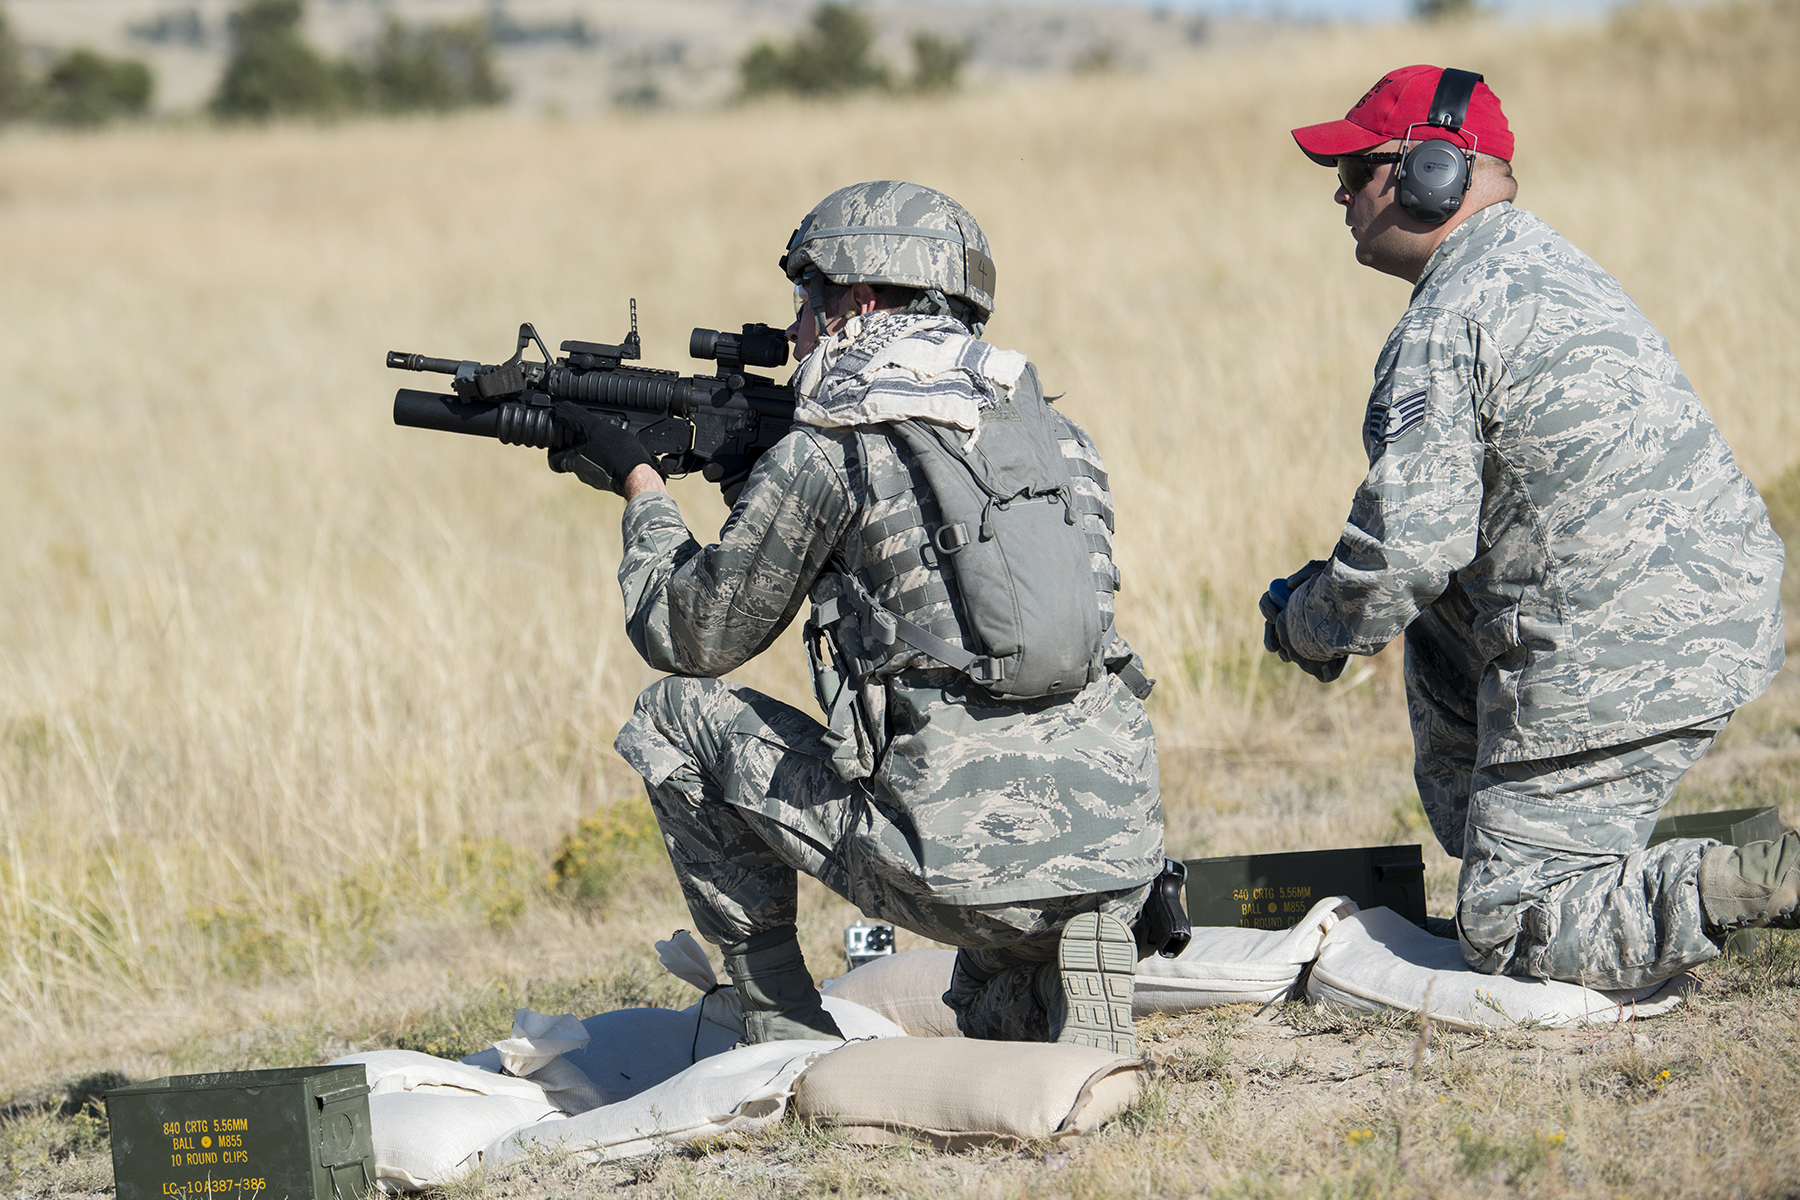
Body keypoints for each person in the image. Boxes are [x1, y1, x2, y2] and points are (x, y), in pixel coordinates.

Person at [547, 181, 1165, 1049]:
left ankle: (782, 1027)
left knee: (675, 718)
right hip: (1118, 852)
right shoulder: (1059, 435)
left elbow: (688, 636)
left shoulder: (833, 445)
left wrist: (640, 487)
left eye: (808, 297)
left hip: (944, 865)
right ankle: (1074, 938)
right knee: (989, 1020)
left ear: (858, 300)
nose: (797, 326)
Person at [1263, 66, 1791, 991]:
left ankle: (1756, 878)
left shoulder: (1450, 314)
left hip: (1619, 640)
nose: (1342, 196)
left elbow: (1407, 556)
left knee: (1508, 927)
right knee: (1487, 794)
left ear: (1433, 172)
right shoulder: (1541, 263)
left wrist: (1307, 623)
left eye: (1357, 171)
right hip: (1693, 612)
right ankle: (1562, 849)